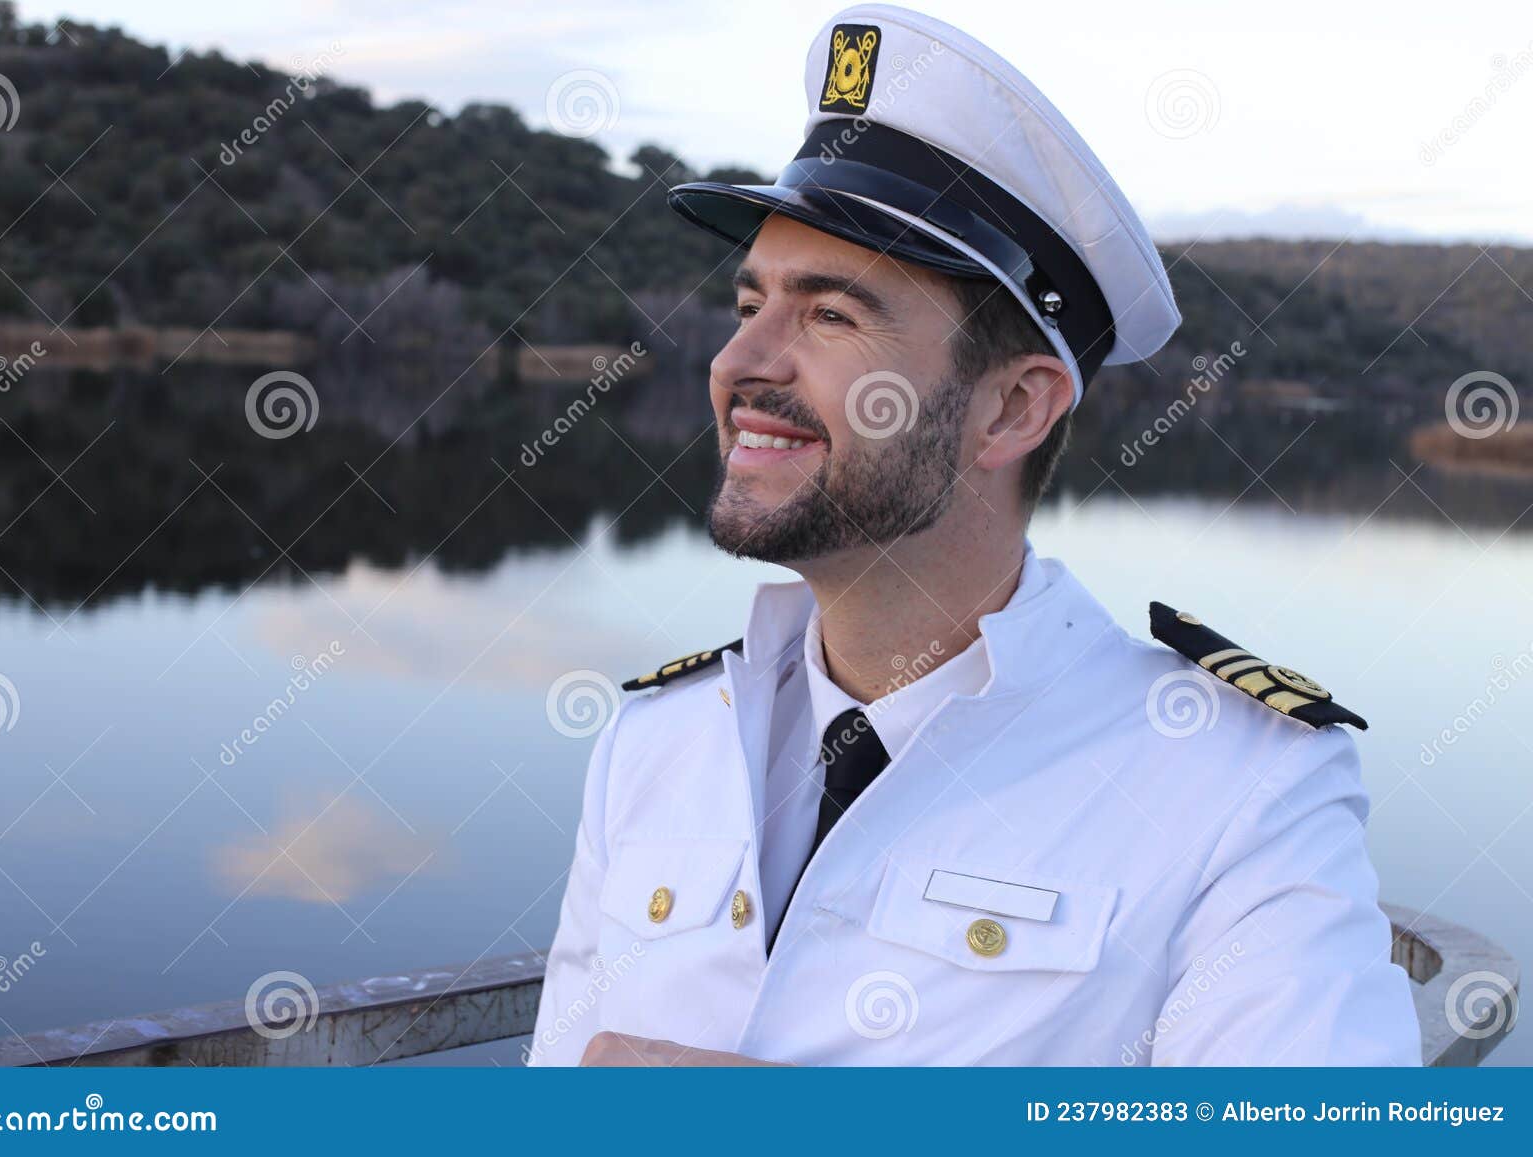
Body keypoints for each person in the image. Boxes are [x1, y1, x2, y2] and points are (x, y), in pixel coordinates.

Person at [527, 3, 1421, 1067]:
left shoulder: (1237, 779)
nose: (739, 362)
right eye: (747, 302)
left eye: (829, 315)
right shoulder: (653, 743)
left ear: (1009, 409)